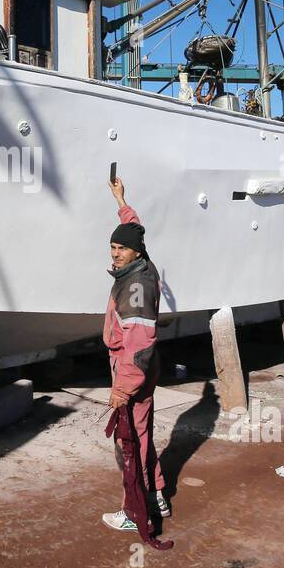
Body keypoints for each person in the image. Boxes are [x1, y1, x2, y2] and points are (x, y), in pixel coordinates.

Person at [101, 177, 170, 531]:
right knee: (142, 435)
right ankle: (156, 492)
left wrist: (122, 388)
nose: (115, 253)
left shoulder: (137, 286)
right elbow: (134, 230)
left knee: (129, 442)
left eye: (120, 249)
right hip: (140, 368)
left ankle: (135, 511)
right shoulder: (141, 263)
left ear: (135, 253)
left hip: (133, 369)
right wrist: (121, 199)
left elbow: (139, 344)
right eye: (112, 247)